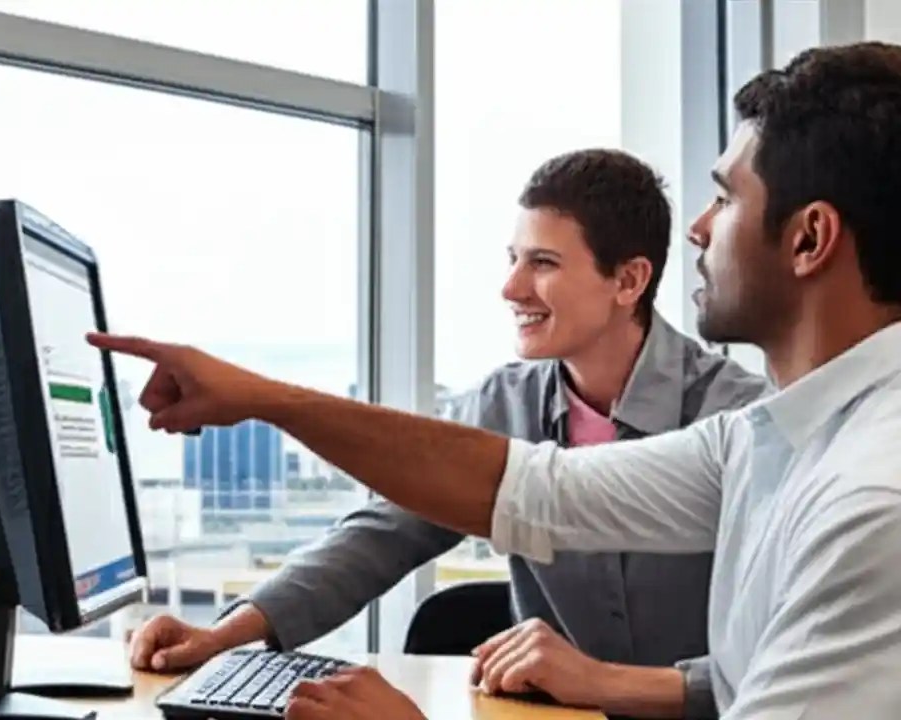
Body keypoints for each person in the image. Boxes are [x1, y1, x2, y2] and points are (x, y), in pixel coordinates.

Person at [91, 41, 901, 720]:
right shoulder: (768, 439)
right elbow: (521, 492)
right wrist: (264, 399)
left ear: (809, 239)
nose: (700, 226)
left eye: (725, 198)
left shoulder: (869, 503)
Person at [123, 149, 766, 719]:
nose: (511, 287)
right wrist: (228, 635)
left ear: (629, 281)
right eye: (513, 259)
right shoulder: (502, 403)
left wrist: (607, 683)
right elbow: (382, 533)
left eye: (542, 262)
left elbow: (773, 665)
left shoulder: (738, 420)